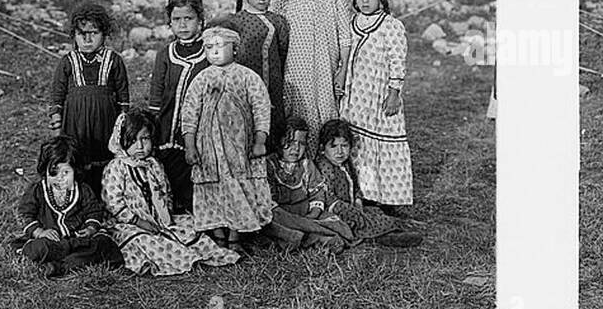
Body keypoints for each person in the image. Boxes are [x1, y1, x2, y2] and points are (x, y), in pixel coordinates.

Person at [102, 110, 239, 275]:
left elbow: (165, 191)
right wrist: (139, 221)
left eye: (144, 139)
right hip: (130, 224)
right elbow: (113, 204)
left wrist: (165, 213)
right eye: (132, 140)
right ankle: (173, 259)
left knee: (191, 226)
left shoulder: (154, 165)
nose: (139, 146)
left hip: (160, 219)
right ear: (121, 141)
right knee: (143, 240)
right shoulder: (117, 167)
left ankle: (192, 252)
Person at [180, 25, 276, 249]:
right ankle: (217, 233)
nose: (214, 51)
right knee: (213, 188)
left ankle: (235, 235)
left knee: (237, 187)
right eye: (209, 47)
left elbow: (261, 108)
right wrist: (190, 145)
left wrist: (260, 140)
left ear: (235, 49)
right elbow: (190, 113)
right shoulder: (201, 79)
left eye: (221, 46)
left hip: (239, 149)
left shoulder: (247, 77)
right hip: (210, 150)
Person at [340, 0, 415, 214]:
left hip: (381, 97)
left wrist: (394, 92)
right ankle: (366, 196)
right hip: (357, 98)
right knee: (360, 146)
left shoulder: (391, 26)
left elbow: (397, 60)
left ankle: (390, 200)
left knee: (384, 143)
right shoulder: (352, 23)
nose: (365, 0)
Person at [272, 0, 352, 152]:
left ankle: (326, 176)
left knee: (327, 117)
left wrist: (342, 69)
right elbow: (279, 35)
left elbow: (344, 36)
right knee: (298, 118)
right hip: (296, 69)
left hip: (326, 67)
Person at [134, 0, 208, 213]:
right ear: (169, 22)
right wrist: (154, 123)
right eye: (177, 19)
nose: (183, 25)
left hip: (199, 126)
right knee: (168, 166)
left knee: (194, 168)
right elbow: (156, 91)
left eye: (189, 18)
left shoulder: (209, 52)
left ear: (200, 20)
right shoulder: (166, 54)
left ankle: (196, 209)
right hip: (167, 125)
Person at [12, 136, 124, 277]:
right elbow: (24, 214)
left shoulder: (83, 190)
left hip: (77, 241)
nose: (60, 178)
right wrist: (39, 232)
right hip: (51, 241)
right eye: (53, 173)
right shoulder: (37, 190)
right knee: (39, 248)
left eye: (66, 173)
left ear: (76, 171)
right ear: (44, 170)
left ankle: (60, 266)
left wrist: (90, 228)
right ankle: (65, 262)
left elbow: (94, 211)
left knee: (102, 244)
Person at [48, 1, 129, 193]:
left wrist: (123, 122)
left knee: (104, 156)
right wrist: (56, 121)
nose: (87, 39)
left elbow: (123, 94)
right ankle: (81, 197)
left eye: (93, 33)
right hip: (76, 121)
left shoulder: (114, 60)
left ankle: (107, 196)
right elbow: (57, 93)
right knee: (77, 156)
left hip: (105, 120)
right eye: (81, 33)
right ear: (74, 35)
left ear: (104, 34)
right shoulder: (68, 61)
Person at [313, 119, 422, 247]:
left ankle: (386, 232)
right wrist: (351, 210)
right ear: (322, 148)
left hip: (351, 206)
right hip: (336, 211)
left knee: (375, 212)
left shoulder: (345, 163)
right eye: (334, 146)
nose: (340, 152)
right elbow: (328, 197)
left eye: (344, 146)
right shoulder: (325, 167)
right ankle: (384, 237)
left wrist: (358, 201)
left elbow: (355, 186)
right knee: (359, 221)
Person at [220, 0, 290, 150]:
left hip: (272, 92)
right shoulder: (235, 23)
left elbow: (282, 55)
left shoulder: (278, 22)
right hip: (242, 92)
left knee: (271, 143)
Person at [263, 116, 353, 254]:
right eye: (290, 142)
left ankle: (314, 237)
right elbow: (268, 200)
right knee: (273, 222)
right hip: (282, 215)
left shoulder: (307, 164)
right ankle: (305, 236)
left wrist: (314, 213)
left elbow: (317, 192)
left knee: (333, 220)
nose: (296, 148)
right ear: (278, 141)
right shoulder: (269, 165)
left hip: (305, 212)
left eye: (301, 143)